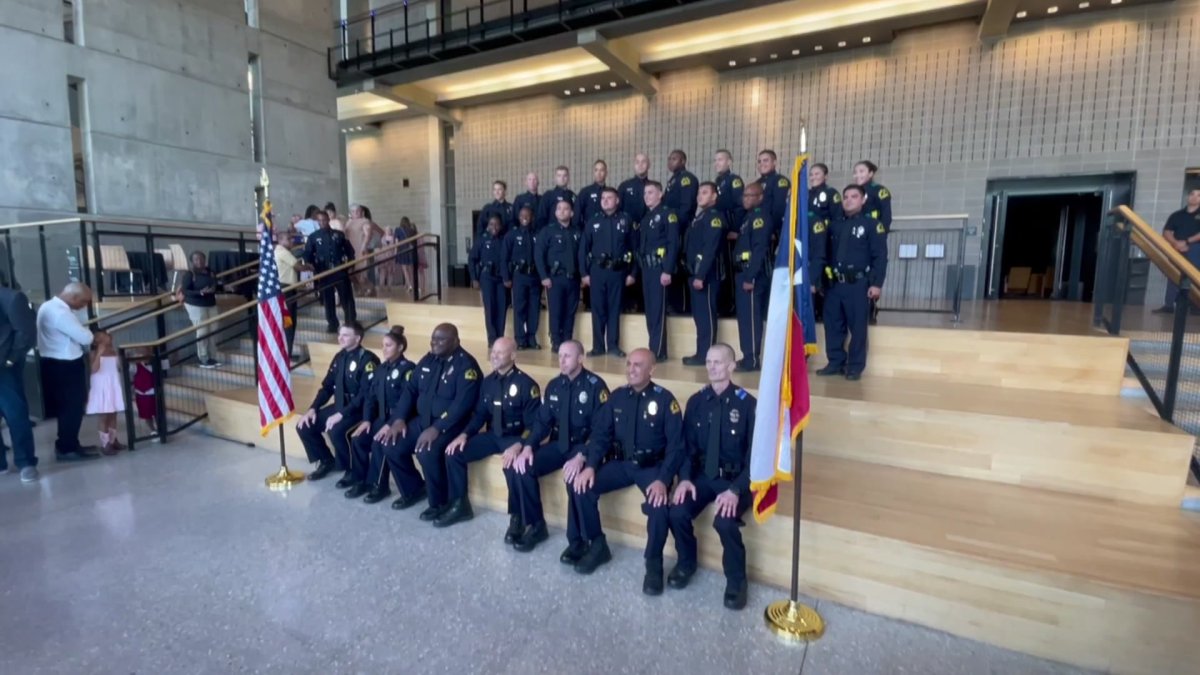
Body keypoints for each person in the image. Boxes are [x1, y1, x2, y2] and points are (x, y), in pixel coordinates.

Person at [569, 348, 685, 595]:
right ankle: (598, 545)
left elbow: (676, 447)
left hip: (652, 468)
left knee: (658, 505)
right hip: (620, 465)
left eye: (638, 365)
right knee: (580, 486)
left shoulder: (666, 401)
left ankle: (653, 564)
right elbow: (601, 436)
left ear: (651, 370)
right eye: (629, 364)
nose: (630, 369)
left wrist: (664, 480)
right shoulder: (617, 397)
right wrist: (590, 467)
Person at [667, 343, 757, 610]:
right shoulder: (697, 401)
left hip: (734, 480)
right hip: (703, 476)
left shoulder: (748, 404)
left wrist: (736, 490)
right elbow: (687, 449)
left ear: (732, 366)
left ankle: (737, 581)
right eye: (708, 362)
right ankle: (686, 562)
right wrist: (684, 478)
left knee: (725, 523)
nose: (711, 367)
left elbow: (757, 457)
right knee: (676, 512)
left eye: (718, 362)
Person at [373, 323, 482, 522]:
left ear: (456, 341)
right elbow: (410, 391)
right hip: (422, 421)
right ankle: (413, 489)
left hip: (452, 425)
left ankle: (439, 502)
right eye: (433, 338)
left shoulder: (466, 365)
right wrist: (399, 420)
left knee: (427, 450)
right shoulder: (428, 360)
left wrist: (437, 428)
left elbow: (462, 405)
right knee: (391, 443)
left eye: (441, 339)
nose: (435, 343)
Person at [510, 340, 608, 553]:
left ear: (581, 359)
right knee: (522, 466)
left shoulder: (595, 387)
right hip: (559, 444)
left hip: (583, 447)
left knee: (575, 479)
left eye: (567, 356)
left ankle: (578, 540)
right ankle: (536, 525)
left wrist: (583, 455)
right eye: (560, 356)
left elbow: (601, 431)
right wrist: (528, 446)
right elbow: (541, 422)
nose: (561, 361)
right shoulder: (555, 385)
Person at [438, 337, 540, 529]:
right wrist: (464, 435)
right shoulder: (487, 382)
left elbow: (534, 425)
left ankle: (517, 517)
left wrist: (520, 445)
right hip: (493, 436)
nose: (494, 356)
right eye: (493, 352)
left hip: (515, 437)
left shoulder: (527, 385)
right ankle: (460, 504)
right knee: (453, 452)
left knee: (513, 466)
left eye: (499, 353)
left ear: (513, 355)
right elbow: (479, 416)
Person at [816, 185, 887, 381]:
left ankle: (855, 366)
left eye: (854, 196)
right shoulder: (834, 224)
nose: (848, 200)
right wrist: (821, 280)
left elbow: (880, 256)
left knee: (857, 328)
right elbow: (825, 254)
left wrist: (876, 283)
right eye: (845, 197)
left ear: (863, 200)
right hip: (834, 284)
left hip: (858, 284)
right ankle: (835, 362)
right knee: (833, 325)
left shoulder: (872, 224)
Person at [295, 322, 379, 481]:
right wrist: (312, 408)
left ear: (358, 338)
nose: (340, 338)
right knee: (305, 425)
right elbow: (327, 387)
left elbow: (366, 395)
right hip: (341, 406)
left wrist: (341, 414)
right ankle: (326, 460)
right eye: (340, 334)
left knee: (337, 431)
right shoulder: (339, 357)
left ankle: (352, 469)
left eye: (345, 335)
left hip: (360, 409)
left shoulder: (368, 360)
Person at [348, 325, 417, 502]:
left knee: (381, 441)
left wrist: (391, 424)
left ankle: (379, 485)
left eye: (388, 345)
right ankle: (361, 480)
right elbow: (370, 398)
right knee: (358, 438)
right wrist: (366, 420)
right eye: (382, 345)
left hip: (400, 420)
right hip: (381, 417)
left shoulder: (408, 369)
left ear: (400, 347)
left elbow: (406, 403)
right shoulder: (381, 369)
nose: (383, 349)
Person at [37, 282, 99, 461]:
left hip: (53, 362)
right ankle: (67, 448)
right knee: (72, 407)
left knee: (67, 407)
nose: (83, 306)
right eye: (83, 302)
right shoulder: (61, 313)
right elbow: (86, 338)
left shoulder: (47, 306)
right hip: (66, 364)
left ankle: (69, 443)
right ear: (74, 297)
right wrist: (86, 332)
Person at [580, 187, 635, 357]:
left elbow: (634, 248)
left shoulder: (626, 220)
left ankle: (612, 346)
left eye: (609, 197)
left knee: (614, 309)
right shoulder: (593, 221)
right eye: (603, 197)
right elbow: (583, 249)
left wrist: (633, 273)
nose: (605, 200)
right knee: (598, 309)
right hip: (597, 272)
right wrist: (584, 273)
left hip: (618, 272)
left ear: (617, 200)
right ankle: (597, 347)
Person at [682, 182, 726, 366]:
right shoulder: (700, 217)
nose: (700, 196)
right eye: (699, 192)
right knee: (700, 316)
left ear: (714, 196)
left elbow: (710, 249)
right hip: (696, 273)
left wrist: (700, 275)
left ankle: (706, 355)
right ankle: (702, 352)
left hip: (706, 276)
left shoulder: (714, 217)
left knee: (706, 316)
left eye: (705, 192)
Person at [732, 182, 774, 372]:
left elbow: (759, 249)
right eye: (745, 195)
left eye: (751, 195)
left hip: (752, 275)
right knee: (745, 318)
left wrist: (751, 277)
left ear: (760, 197)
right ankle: (748, 355)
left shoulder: (760, 218)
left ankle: (752, 360)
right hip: (743, 273)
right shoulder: (748, 218)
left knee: (751, 319)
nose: (746, 198)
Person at [637, 181, 679, 361]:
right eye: (645, 193)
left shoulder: (668, 215)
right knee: (650, 312)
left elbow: (674, 243)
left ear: (660, 194)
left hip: (660, 269)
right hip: (647, 269)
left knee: (658, 311)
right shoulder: (646, 217)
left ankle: (658, 351)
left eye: (651, 192)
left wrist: (667, 270)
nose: (647, 196)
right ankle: (653, 347)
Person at [0, 283, 38, 481]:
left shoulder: (12, 298)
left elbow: (26, 332)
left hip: (4, 368)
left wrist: (10, 359)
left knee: (16, 415)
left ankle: (26, 462)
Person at [535, 200, 582, 353]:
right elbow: (539, 255)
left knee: (570, 312)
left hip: (573, 279)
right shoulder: (547, 231)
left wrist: (583, 276)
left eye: (566, 208)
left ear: (572, 213)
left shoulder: (577, 232)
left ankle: (567, 340)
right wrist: (544, 276)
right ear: (555, 213)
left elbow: (581, 256)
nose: (562, 211)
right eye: (559, 208)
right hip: (554, 279)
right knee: (556, 311)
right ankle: (556, 341)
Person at [303, 208, 356, 333]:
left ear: (328, 220)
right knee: (328, 299)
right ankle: (332, 324)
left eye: (324, 220)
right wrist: (311, 266)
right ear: (317, 222)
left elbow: (349, 250)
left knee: (346, 297)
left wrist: (349, 264)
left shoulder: (338, 234)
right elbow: (307, 254)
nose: (322, 222)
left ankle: (351, 321)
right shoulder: (313, 237)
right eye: (319, 220)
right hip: (324, 273)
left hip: (339, 271)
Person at [854, 160, 892, 325]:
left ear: (871, 173)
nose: (858, 175)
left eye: (862, 171)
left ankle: (871, 306)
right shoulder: (854, 192)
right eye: (856, 172)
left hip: (872, 238)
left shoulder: (879, 191)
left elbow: (886, 217)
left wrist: (880, 236)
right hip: (857, 240)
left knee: (872, 270)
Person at [1154, 188, 1200, 313]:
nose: (1194, 197)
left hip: (1196, 248)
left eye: (1198, 195)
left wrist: (1186, 242)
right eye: (1192, 194)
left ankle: (1195, 306)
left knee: (1194, 275)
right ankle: (1169, 305)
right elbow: (1167, 231)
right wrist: (1175, 243)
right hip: (1177, 248)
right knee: (1173, 275)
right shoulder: (1177, 215)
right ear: (1188, 196)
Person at [665, 150, 699, 315]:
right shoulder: (673, 180)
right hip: (672, 228)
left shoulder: (686, 178)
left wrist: (676, 226)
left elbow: (686, 207)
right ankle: (675, 303)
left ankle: (683, 306)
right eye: (669, 159)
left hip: (682, 228)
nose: (671, 161)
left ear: (683, 160)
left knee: (681, 266)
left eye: (675, 158)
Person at [503, 206, 542, 350]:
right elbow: (504, 257)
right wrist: (506, 277)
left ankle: (531, 338)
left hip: (535, 277)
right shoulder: (511, 235)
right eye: (522, 215)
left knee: (534, 308)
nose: (525, 217)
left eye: (528, 215)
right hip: (519, 276)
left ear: (532, 217)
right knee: (519, 308)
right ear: (519, 218)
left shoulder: (538, 234)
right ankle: (520, 339)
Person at [174, 251, 220, 369]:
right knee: (203, 331)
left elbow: (215, 285)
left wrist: (224, 287)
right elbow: (185, 290)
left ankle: (212, 357)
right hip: (195, 304)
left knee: (213, 329)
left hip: (210, 303)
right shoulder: (189, 274)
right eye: (196, 259)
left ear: (205, 260)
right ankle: (203, 359)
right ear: (192, 262)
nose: (199, 262)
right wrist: (200, 292)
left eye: (201, 259)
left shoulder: (210, 272)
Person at [714, 149, 745, 318]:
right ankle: (724, 303)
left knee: (731, 269)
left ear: (729, 162)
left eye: (721, 159)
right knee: (722, 268)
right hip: (720, 233)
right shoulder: (718, 182)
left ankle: (732, 305)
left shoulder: (734, 181)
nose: (717, 163)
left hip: (730, 233)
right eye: (716, 160)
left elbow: (740, 207)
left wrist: (736, 230)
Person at [85, 331, 125, 455]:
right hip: (101, 386)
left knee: (113, 414)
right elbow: (94, 369)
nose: (105, 338)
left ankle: (113, 440)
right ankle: (105, 443)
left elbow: (119, 367)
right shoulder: (94, 352)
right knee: (104, 415)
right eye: (100, 337)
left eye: (105, 335)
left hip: (113, 384)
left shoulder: (114, 351)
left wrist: (120, 357)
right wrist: (99, 353)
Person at [471, 215, 508, 347]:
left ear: (501, 226)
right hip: (486, 278)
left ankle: (500, 337)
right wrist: (474, 278)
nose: (494, 227)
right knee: (490, 308)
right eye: (492, 224)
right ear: (487, 226)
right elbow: (472, 259)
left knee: (502, 308)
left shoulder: (504, 240)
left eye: (497, 224)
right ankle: (492, 339)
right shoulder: (481, 240)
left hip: (501, 278)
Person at [273, 228, 304, 360]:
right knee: (289, 323)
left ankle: (286, 352)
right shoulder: (282, 251)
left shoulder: (278, 251)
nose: (291, 241)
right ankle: (287, 353)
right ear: (280, 240)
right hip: (286, 290)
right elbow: (298, 266)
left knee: (287, 322)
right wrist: (308, 266)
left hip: (284, 289)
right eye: (288, 239)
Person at [756, 150, 791, 242]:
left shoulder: (780, 181)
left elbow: (779, 209)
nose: (762, 164)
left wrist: (772, 229)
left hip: (773, 231)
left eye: (765, 160)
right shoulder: (757, 183)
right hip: (757, 227)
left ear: (774, 162)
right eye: (759, 161)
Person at [535, 166, 576, 233]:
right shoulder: (548, 195)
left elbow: (575, 216)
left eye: (564, 176)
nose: (562, 178)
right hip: (551, 232)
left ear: (568, 178)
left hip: (569, 232)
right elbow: (541, 217)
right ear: (555, 178)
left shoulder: (572, 196)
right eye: (559, 176)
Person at [618, 153, 651, 224]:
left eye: (643, 162)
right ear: (634, 165)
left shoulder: (653, 186)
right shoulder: (624, 186)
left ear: (649, 165)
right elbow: (618, 210)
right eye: (637, 162)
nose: (640, 165)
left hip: (649, 227)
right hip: (628, 228)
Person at [575, 160, 608, 228]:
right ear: (593, 172)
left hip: (606, 229)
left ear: (606, 173)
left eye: (601, 170)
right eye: (596, 170)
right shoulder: (585, 192)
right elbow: (577, 214)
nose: (599, 173)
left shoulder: (610, 193)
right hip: (589, 230)